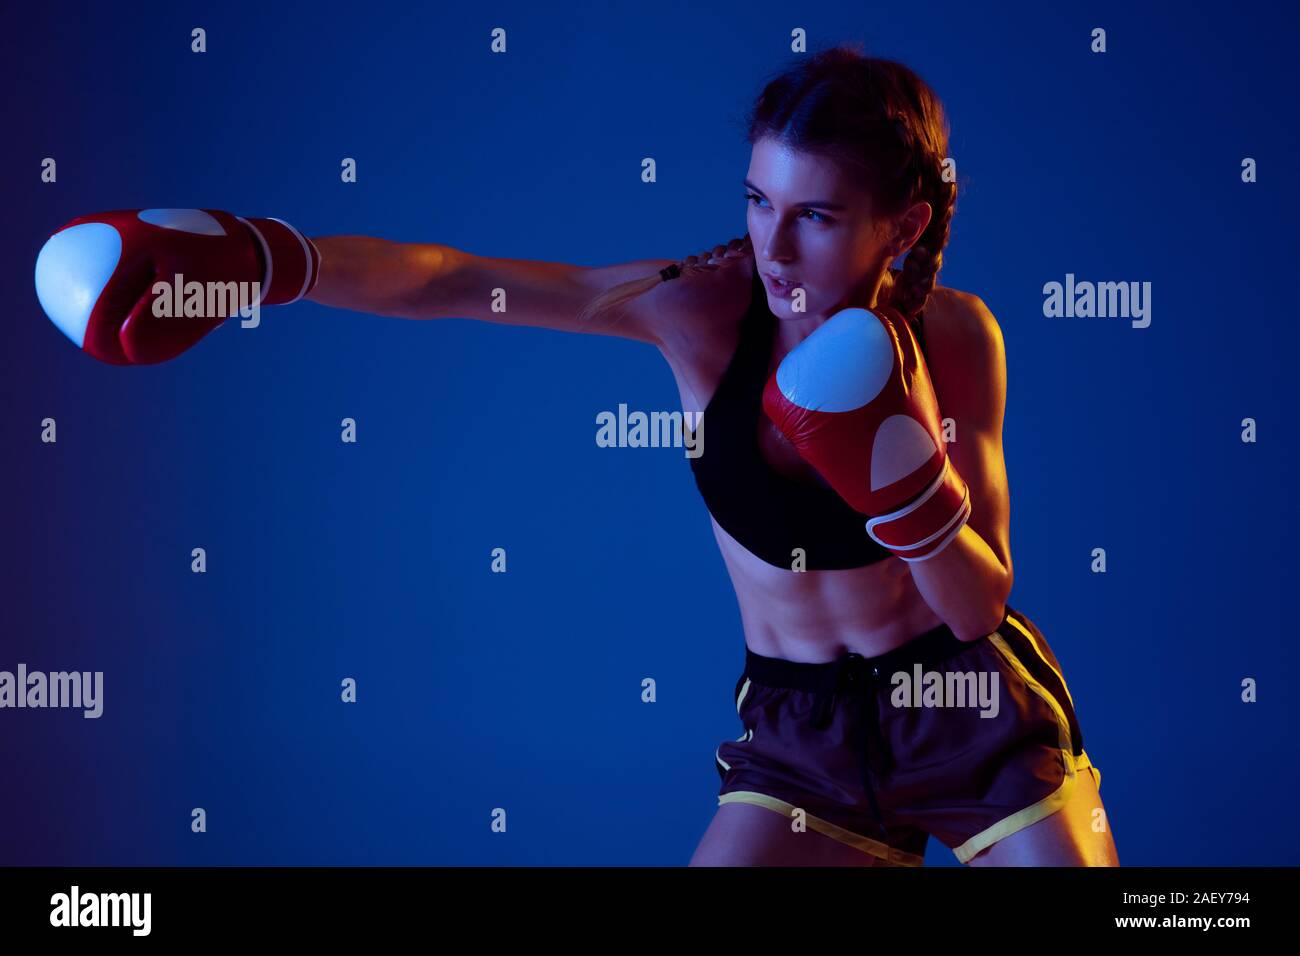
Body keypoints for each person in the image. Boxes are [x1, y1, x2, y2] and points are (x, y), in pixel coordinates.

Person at [34, 45, 1118, 866]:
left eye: (817, 217)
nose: (773, 248)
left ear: (904, 220)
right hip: (800, 736)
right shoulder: (702, 309)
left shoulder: (958, 338)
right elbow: (458, 280)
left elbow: (977, 603)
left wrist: (908, 489)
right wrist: (269, 260)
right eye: (757, 201)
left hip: (966, 708)